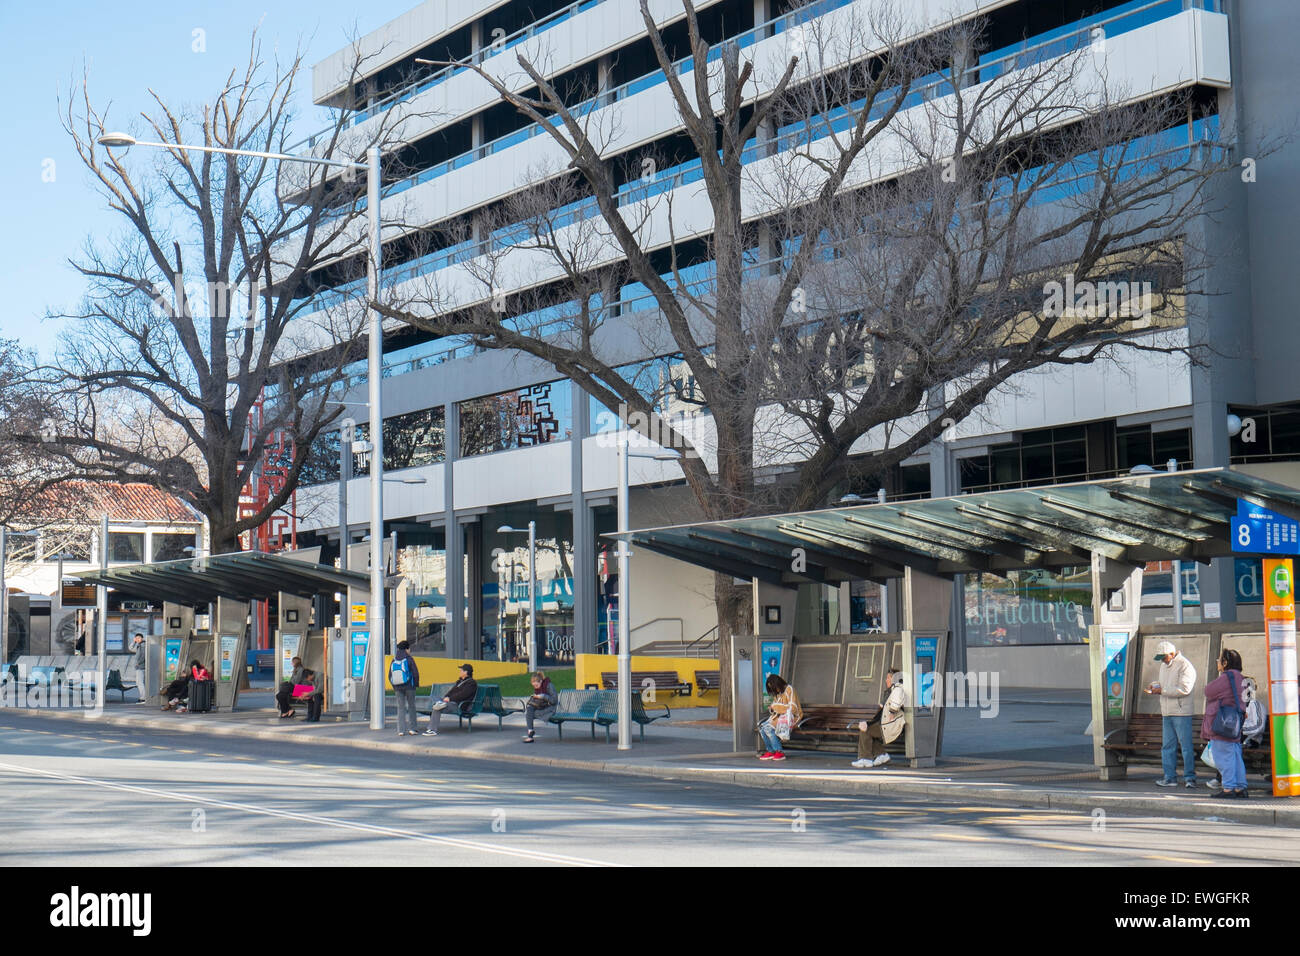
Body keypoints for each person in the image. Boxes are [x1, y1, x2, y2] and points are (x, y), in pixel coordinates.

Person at [1147, 639, 1197, 789]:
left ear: (1171, 653)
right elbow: (1167, 685)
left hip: (1182, 712)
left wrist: (1161, 691)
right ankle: (1170, 777)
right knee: (1168, 746)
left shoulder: (1185, 665)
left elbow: (1184, 689)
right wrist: (1156, 686)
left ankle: (1190, 778)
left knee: (1186, 747)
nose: (1162, 660)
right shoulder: (1164, 666)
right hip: (1167, 711)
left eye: (1163, 657)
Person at [1204, 648, 1249, 800]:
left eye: (1219, 660)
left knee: (1223, 757)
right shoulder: (1242, 678)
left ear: (1225, 662)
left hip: (1223, 723)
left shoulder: (1226, 677)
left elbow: (1208, 691)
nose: (1217, 662)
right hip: (1235, 723)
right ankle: (1240, 787)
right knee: (1235, 756)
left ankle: (1229, 788)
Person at [852, 668, 906, 769]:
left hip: (892, 725)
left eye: (888, 678)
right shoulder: (890, 691)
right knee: (868, 729)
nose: (886, 680)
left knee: (866, 731)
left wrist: (892, 711)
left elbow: (897, 700)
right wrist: (869, 723)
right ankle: (882, 755)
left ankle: (865, 759)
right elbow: (880, 714)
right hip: (888, 724)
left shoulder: (898, 689)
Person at [424, 663, 477, 736]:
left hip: (458, 705)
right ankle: (440, 703)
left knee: (437, 708)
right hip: (449, 702)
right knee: (433, 696)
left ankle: (432, 730)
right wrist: (446, 697)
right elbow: (451, 691)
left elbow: (463, 695)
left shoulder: (471, 683)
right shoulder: (459, 682)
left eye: (461, 670)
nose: (460, 672)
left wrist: (450, 698)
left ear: (466, 672)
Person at [757, 673, 800, 761]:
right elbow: (775, 706)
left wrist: (775, 707)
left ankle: (779, 751)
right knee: (762, 727)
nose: (774, 690)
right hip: (780, 718)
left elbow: (793, 708)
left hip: (791, 717)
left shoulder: (789, 689)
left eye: (773, 687)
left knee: (768, 728)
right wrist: (772, 708)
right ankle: (771, 751)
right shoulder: (778, 693)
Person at [391, 641, 421, 736]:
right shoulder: (409, 659)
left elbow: (389, 675)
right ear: (407, 649)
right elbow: (415, 673)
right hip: (409, 686)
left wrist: (395, 686)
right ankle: (412, 729)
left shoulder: (394, 660)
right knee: (411, 706)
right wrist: (415, 684)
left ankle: (401, 730)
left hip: (398, 687)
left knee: (400, 708)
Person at [521, 671, 558, 743]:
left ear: (541, 681)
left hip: (550, 708)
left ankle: (530, 736)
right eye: (534, 685)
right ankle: (530, 731)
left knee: (529, 715)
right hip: (542, 706)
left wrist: (543, 696)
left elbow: (554, 700)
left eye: (536, 685)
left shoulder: (549, 685)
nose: (535, 687)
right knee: (529, 708)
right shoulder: (538, 688)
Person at [131, 633, 148, 704]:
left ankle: (143, 698)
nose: (137, 639)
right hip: (139, 667)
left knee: (140, 683)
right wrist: (134, 642)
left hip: (141, 667)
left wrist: (139, 663)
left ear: (142, 638)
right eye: (136, 638)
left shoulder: (143, 645)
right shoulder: (139, 645)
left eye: (139, 638)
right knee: (139, 682)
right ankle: (143, 697)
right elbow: (131, 648)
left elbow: (143, 655)